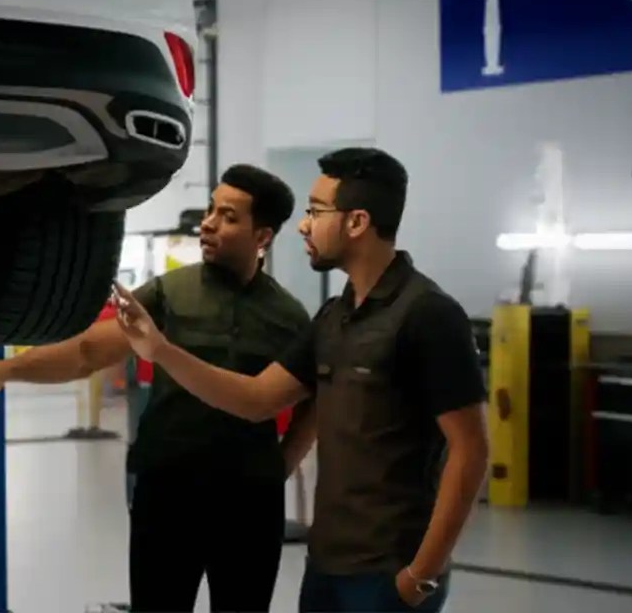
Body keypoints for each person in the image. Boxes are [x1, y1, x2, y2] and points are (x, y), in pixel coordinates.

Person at [111, 147, 490, 613]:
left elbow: (471, 450)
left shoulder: (429, 315)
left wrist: (422, 575)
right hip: (326, 567)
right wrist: (162, 352)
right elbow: (256, 398)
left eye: (315, 212)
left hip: (388, 572)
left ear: (357, 222)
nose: (304, 226)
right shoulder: (333, 318)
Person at [0, 164, 314, 613]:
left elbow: (311, 404)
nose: (208, 222)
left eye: (228, 216)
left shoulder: (290, 317)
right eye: (210, 209)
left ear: (262, 236)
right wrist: (6, 370)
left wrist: (276, 470)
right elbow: (89, 351)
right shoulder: (169, 294)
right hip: (168, 496)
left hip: (249, 507)